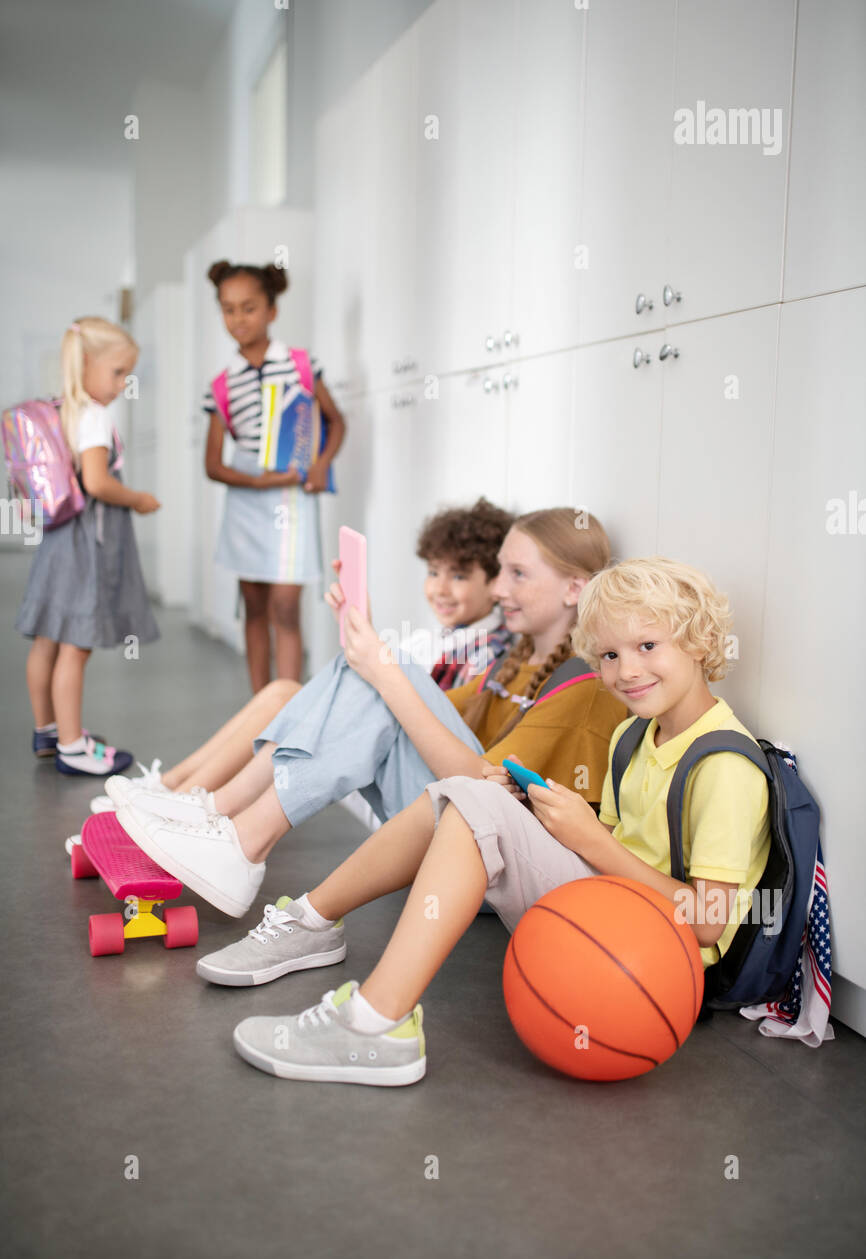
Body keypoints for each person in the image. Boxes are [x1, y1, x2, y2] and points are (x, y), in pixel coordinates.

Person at [218, 557, 773, 1087]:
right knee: (462, 790)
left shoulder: (724, 766)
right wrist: (546, 813)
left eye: (647, 646)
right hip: (612, 908)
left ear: (699, 642)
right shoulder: (636, 734)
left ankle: (374, 1023)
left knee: (473, 802)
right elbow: (625, 844)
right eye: (607, 655)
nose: (625, 670)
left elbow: (705, 923)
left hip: (654, 958)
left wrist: (587, 839)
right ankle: (312, 922)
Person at [112, 509, 627, 921]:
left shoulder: (582, 689)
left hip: (490, 859)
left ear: (574, 588)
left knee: (384, 669)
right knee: (375, 671)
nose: (497, 590)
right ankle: (220, 822)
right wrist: (372, 660)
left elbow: (482, 790)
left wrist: (382, 669)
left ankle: (227, 827)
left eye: (517, 574)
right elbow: (417, 718)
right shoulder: (518, 662)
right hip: (460, 832)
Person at [88, 496, 516, 815]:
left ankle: (192, 804)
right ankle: (172, 790)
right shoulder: (432, 640)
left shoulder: (487, 656)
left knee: (298, 692)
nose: (440, 588)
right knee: (283, 691)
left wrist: (372, 659)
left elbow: (421, 717)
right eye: (434, 572)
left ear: (494, 584)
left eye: (459, 576)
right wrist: (360, 627)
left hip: (417, 778)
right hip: (395, 758)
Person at [16, 317, 159, 776]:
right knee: (77, 645)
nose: (122, 384)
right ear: (87, 363)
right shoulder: (94, 416)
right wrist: (137, 499)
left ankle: (49, 731)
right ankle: (74, 747)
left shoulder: (62, 410)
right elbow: (96, 482)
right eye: (118, 372)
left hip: (58, 543)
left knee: (47, 640)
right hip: (88, 548)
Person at [203, 259, 345, 689]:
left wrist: (320, 465)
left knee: (286, 604)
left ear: (271, 311)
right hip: (247, 497)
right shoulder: (222, 385)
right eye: (229, 309)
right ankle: (260, 706)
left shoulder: (300, 365)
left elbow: (336, 421)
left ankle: (288, 706)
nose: (238, 318)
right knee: (254, 605)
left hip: (292, 499)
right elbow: (213, 465)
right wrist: (260, 481)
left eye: (249, 307)